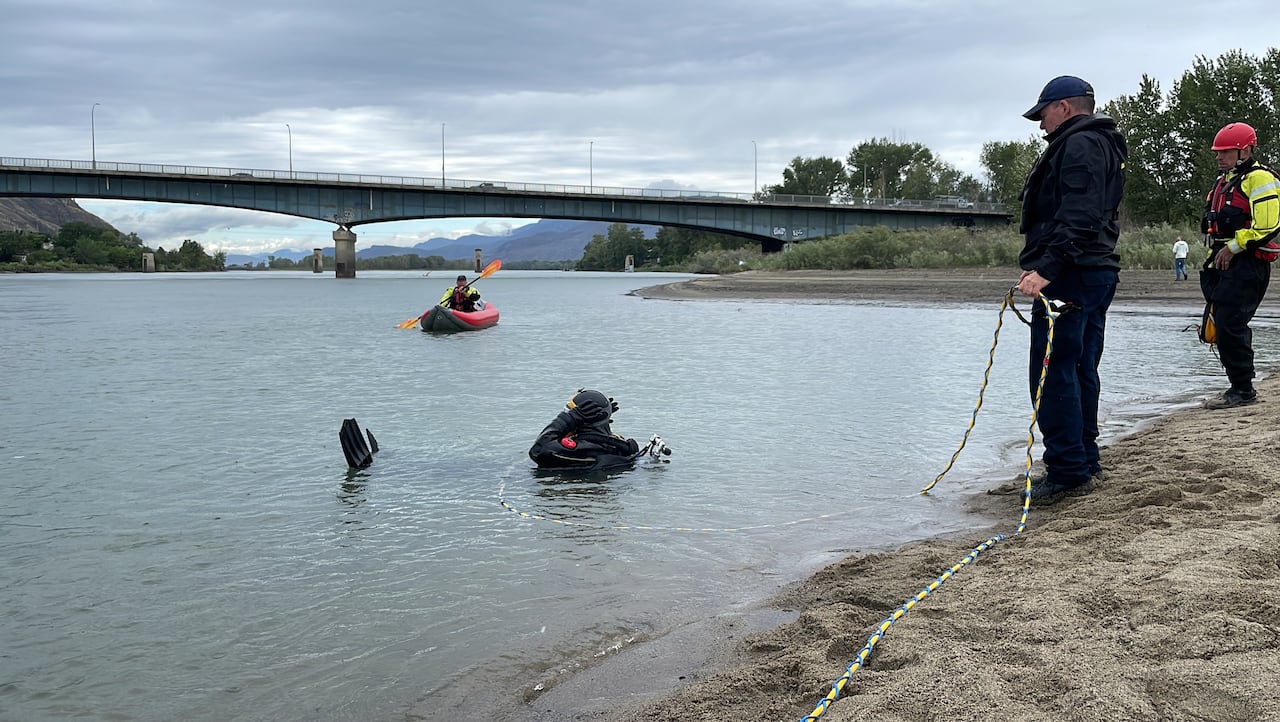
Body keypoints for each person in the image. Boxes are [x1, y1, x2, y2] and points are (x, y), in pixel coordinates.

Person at [1012, 75, 1128, 499]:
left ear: (1063, 107)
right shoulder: (1099, 144)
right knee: (1079, 366)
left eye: (1042, 114)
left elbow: (1079, 214)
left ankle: (1066, 470)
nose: (1040, 124)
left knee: (1053, 369)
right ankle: (1083, 459)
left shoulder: (1079, 145)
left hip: (1072, 274)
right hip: (1092, 272)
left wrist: (1046, 269)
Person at [1199, 122, 1280, 410]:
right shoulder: (1227, 180)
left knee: (1230, 324)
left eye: (1225, 152)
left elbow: (1268, 226)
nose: (1219, 157)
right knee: (1221, 321)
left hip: (1247, 262)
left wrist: (1233, 247)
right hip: (1224, 258)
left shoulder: (1259, 179)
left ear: (1245, 150)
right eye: (1217, 153)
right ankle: (1238, 384)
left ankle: (1243, 389)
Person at [528, 389, 640, 472]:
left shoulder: (580, 448)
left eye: (570, 412)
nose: (570, 416)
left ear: (579, 418)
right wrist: (600, 420)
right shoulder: (616, 443)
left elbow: (538, 450)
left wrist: (566, 419)